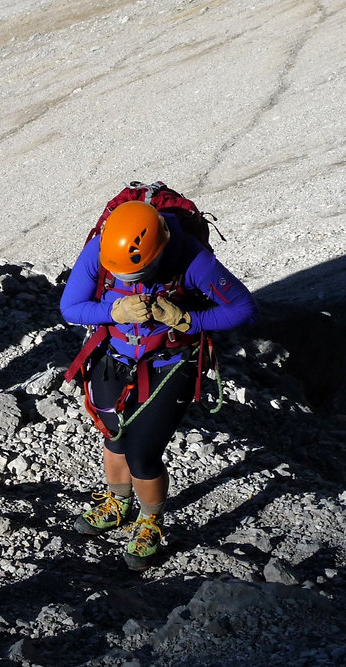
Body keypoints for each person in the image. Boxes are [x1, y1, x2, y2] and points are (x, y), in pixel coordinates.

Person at [60, 200, 258, 570]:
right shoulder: (101, 249)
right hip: (114, 358)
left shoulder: (191, 259)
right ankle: (118, 503)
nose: (128, 283)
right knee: (114, 436)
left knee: (141, 454)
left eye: (137, 275)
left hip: (170, 364)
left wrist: (186, 319)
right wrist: (113, 312)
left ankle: (150, 520)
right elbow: (70, 308)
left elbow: (244, 308)